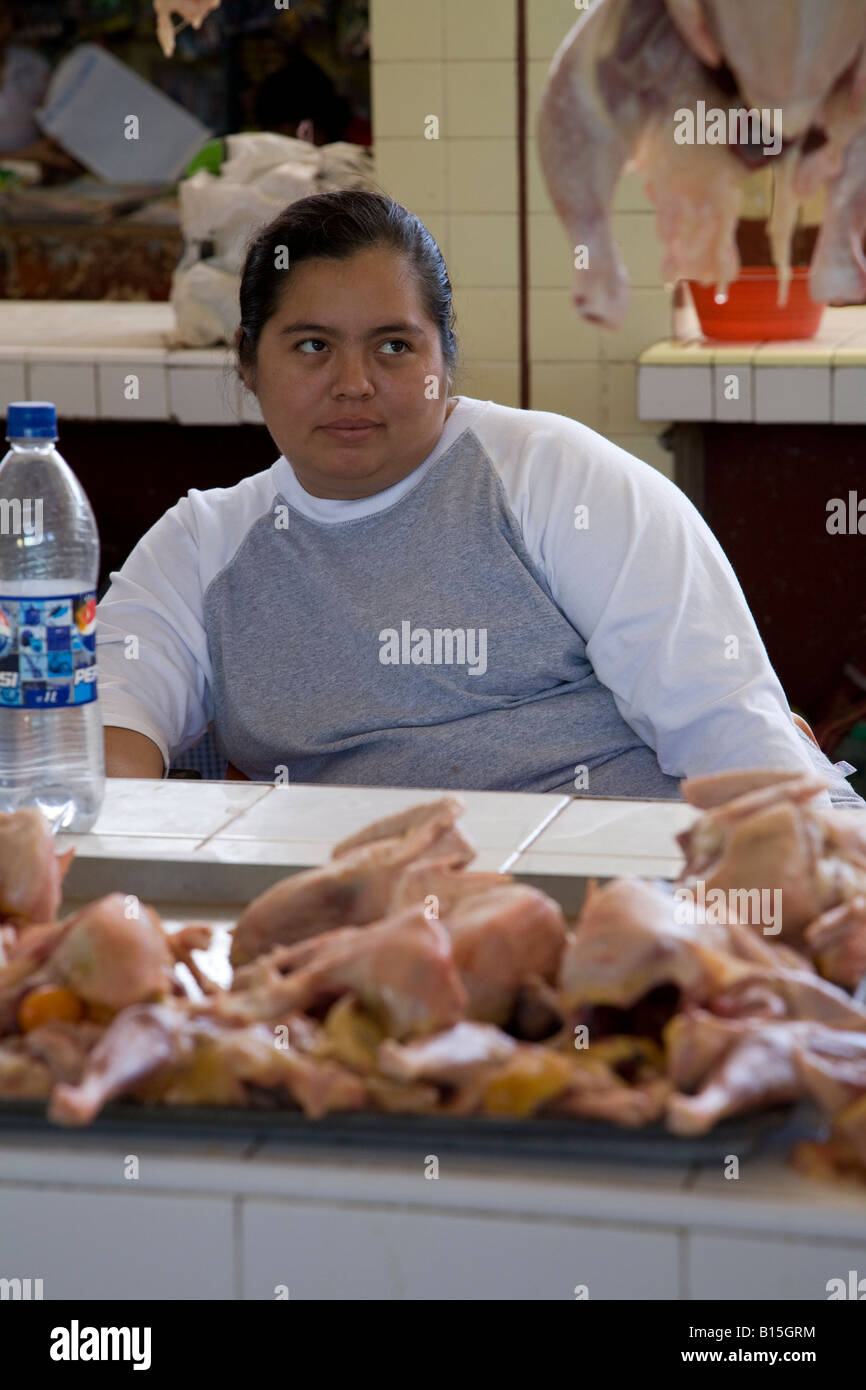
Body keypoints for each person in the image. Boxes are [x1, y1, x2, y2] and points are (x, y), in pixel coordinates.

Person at [97, 190, 864, 809]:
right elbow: (100, 758)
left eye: (395, 345)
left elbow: (735, 740)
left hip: (627, 915)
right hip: (362, 946)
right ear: (248, 365)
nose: (354, 383)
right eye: (311, 346)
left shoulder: (555, 480)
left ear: (447, 359)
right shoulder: (201, 548)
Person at [0, 1, 79, 173]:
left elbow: (54, 125)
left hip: (31, 185)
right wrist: (25, 156)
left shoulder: (35, 67)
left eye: (1, 18)